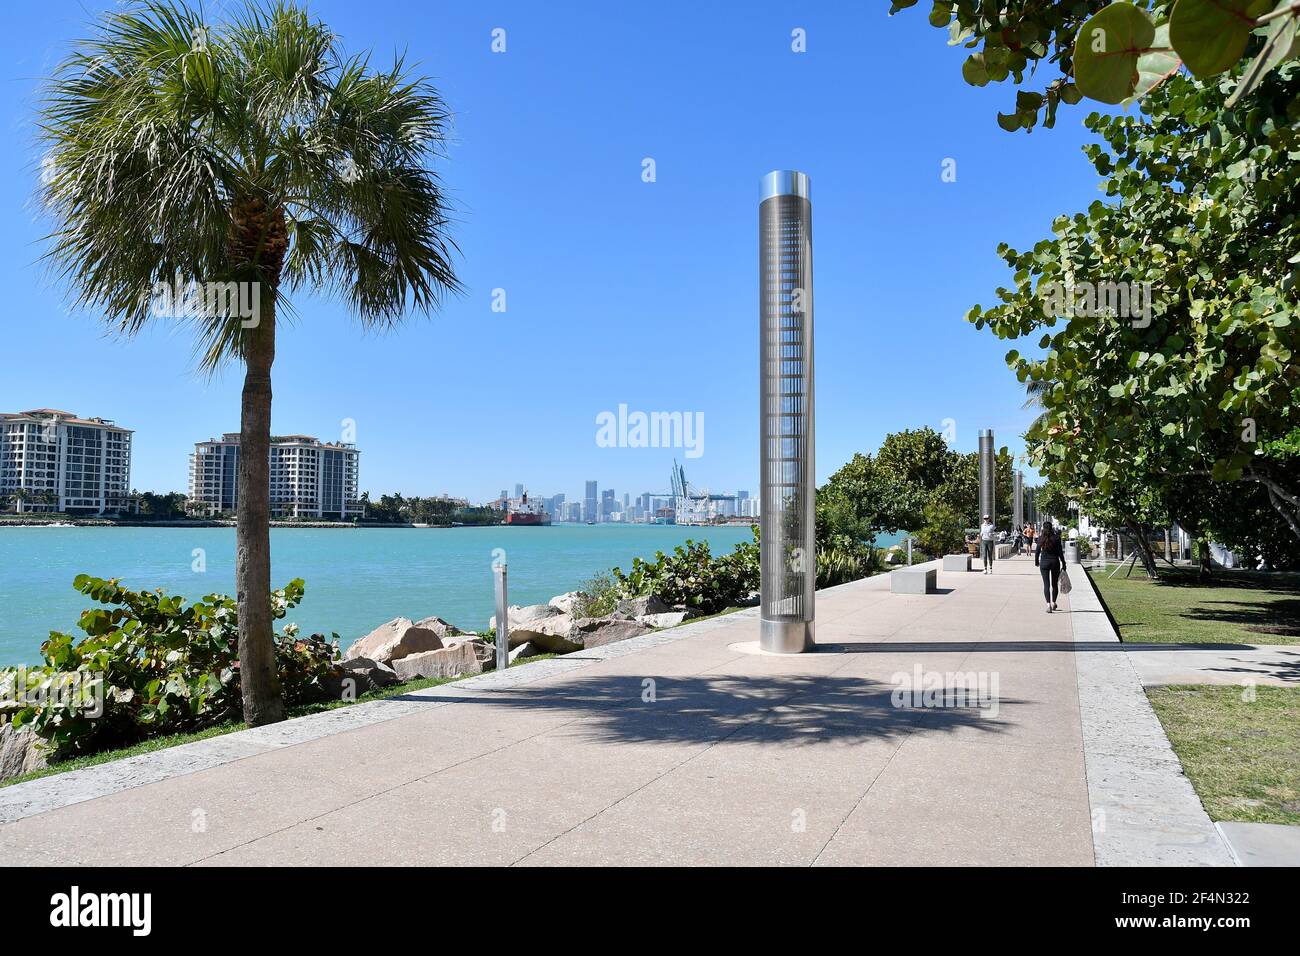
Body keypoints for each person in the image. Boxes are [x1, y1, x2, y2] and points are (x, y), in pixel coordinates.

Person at [1035, 519, 1065, 612]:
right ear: (1051, 528)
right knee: (1054, 584)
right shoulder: (1056, 538)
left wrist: (1036, 561)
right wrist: (1064, 563)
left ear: (1043, 528)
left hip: (1044, 563)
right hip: (1055, 562)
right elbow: (1060, 552)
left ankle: (1048, 605)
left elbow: (1037, 551)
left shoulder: (1041, 538)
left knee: (1046, 584)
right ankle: (1053, 603)